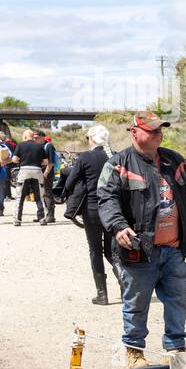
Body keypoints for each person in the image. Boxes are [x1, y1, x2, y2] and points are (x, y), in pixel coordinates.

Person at [97, 111, 186, 368]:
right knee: (137, 304)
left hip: (173, 250)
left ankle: (175, 348)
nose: (158, 134)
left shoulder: (175, 161)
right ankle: (134, 351)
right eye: (152, 130)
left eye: (160, 130)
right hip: (139, 251)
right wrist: (118, 226)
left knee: (178, 302)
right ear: (134, 132)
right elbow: (107, 200)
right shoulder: (118, 164)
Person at [64, 124, 119, 305]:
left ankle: (102, 294)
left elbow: (70, 181)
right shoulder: (116, 156)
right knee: (113, 251)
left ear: (92, 139)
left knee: (95, 250)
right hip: (112, 209)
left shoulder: (85, 157)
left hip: (92, 209)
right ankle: (125, 285)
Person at [11, 129, 49, 226]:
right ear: (33, 137)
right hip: (37, 170)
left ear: (24, 137)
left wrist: (21, 159)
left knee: (20, 196)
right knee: (39, 196)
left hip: (24, 170)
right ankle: (42, 218)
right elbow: (46, 162)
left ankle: (17, 219)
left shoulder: (20, 145)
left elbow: (14, 159)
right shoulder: (40, 146)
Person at [38, 130, 59, 223]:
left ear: (43, 137)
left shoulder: (48, 146)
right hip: (40, 172)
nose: (35, 139)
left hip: (47, 174)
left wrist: (45, 173)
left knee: (47, 193)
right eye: (34, 138)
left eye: (37, 137)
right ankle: (43, 216)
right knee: (42, 194)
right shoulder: (39, 146)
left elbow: (50, 162)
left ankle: (51, 216)